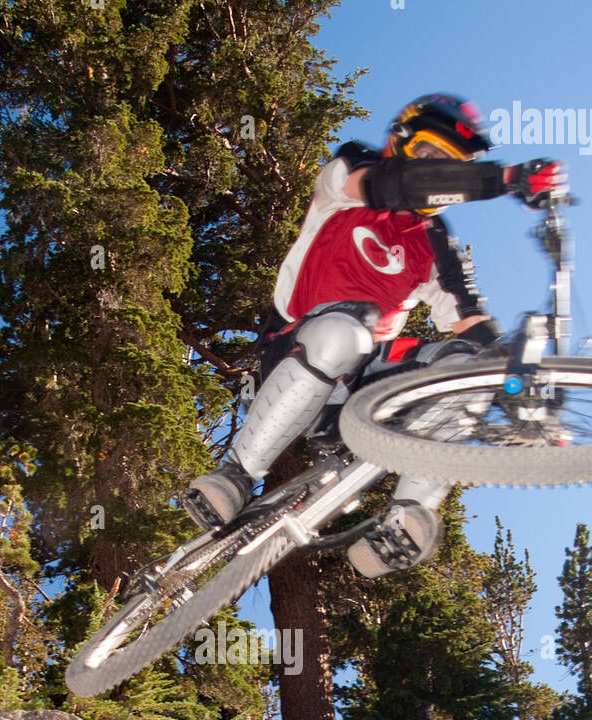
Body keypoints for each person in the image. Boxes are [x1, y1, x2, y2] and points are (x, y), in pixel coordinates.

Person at [183, 93, 567, 577]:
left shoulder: (433, 242)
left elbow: (472, 323)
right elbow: (396, 185)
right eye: (431, 157)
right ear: (400, 141)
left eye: (452, 166)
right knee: (351, 326)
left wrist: (521, 384)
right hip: (301, 347)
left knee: (467, 365)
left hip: (366, 384)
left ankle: (405, 518)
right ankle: (236, 474)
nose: (439, 176)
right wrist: (506, 179)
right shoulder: (350, 174)